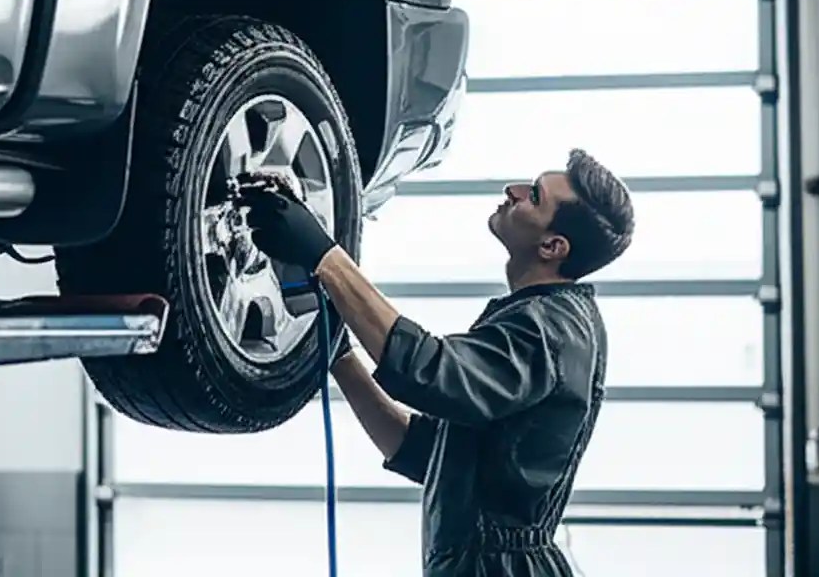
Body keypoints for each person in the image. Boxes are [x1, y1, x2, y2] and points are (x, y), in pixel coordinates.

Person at [237, 148, 636, 577]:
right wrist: (338, 351)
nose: (513, 190)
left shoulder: (549, 331)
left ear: (552, 246)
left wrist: (324, 255)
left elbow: (431, 372)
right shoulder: (542, 321)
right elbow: (424, 452)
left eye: (533, 195)